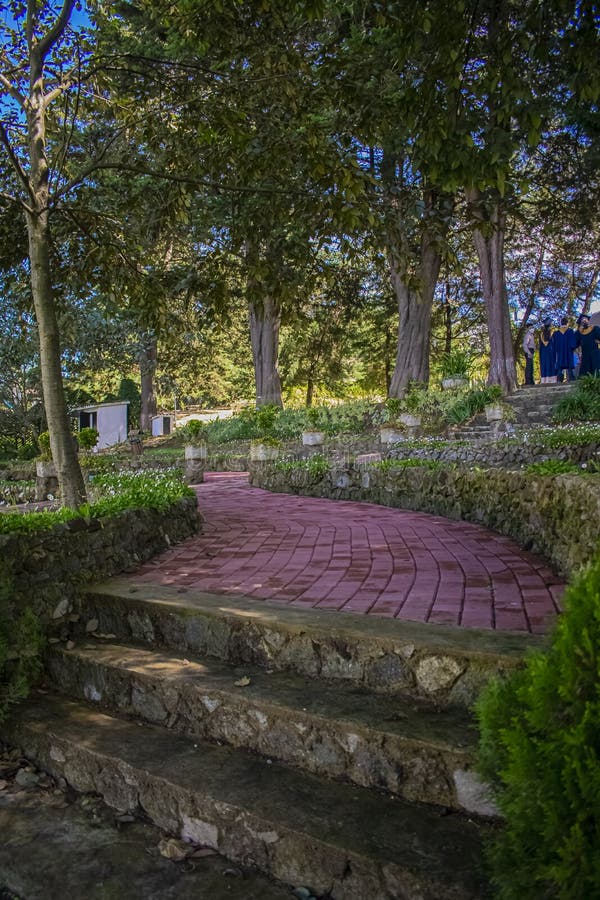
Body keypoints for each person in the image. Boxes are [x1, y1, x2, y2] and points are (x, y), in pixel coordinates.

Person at [553, 316, 577, 382]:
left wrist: (557, 350)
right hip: (568, 351)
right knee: (569, 365)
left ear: (561, 323)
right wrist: (573, 348)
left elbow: (554, 344)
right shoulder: (570, 331)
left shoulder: (556, 333)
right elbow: (573, 343)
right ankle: (571, 378)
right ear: (567, 323)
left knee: (560, 365)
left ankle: (559, 379)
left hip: (560, 352)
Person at [538, 318, 557, 384]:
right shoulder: (552, 333)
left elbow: (540, 345)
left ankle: (545, 380)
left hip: (543, 351)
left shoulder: (541, 334)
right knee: (551, 363)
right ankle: (552, 380)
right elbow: (554, 343)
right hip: (550, 350)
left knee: (544, 364)